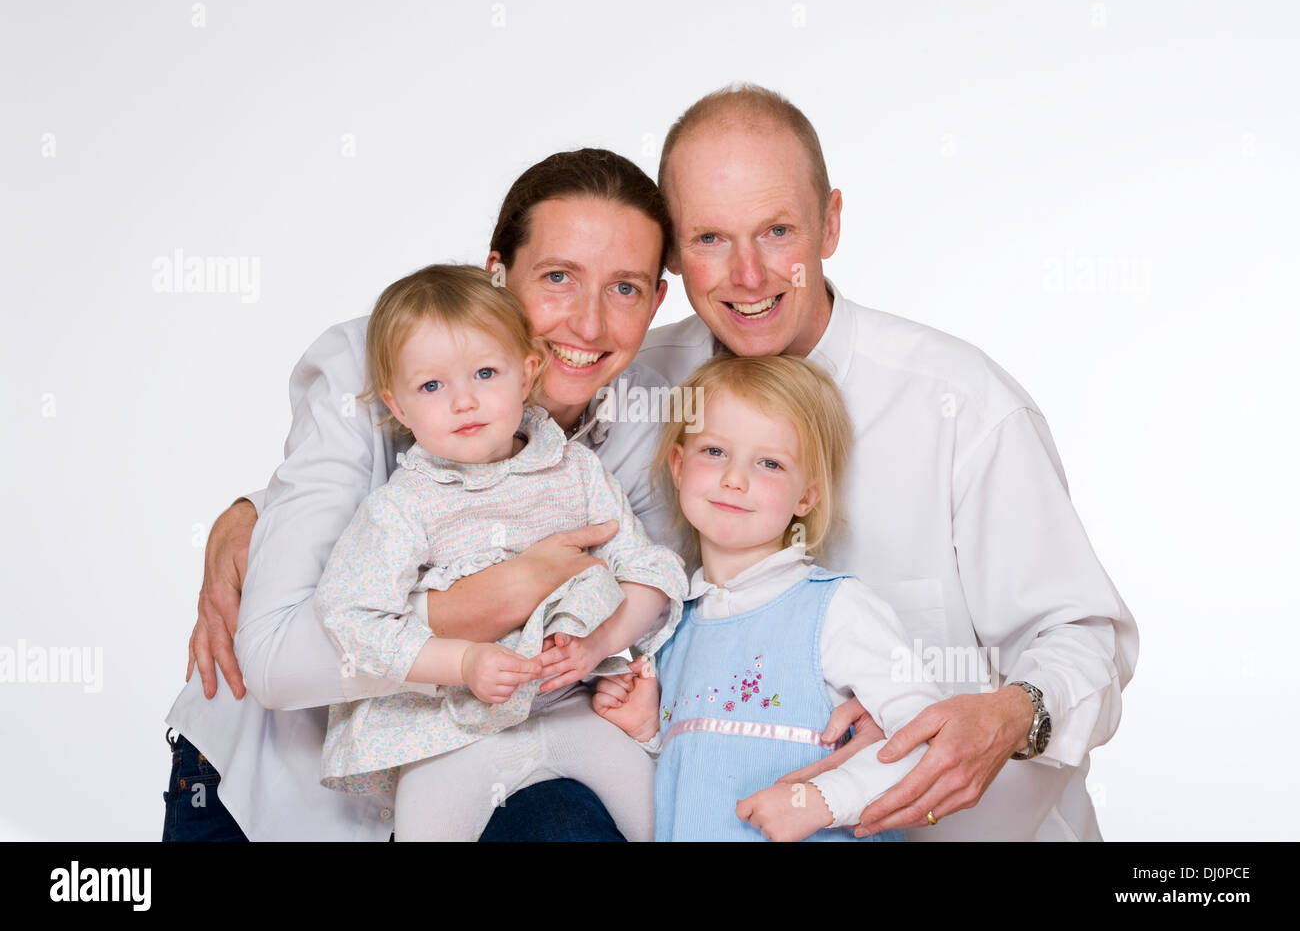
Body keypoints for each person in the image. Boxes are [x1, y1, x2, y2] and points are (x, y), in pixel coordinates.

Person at [634, 83, 1140, 840]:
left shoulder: (964, 404)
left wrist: (1010, 713)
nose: (747, 275)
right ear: (673, 248)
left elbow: (1080, 637)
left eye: (777, 231)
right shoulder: (637, 391)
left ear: (830, 223)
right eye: (710, 238)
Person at [164, 149, 680, 841]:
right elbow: (279, 661)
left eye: (624, 289)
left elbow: (653, 589)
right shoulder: (367, 363)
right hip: (273, 782)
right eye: (558, 277)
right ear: (496, 273)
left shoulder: (647, 423)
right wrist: (505, 594)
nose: (588, 325)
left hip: (493, 758)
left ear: (655, 301)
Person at [313, 264, 685, 841]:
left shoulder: (574, 471)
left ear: (526, 373)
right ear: (399, 404)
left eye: (485, 373)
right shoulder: (402, 506)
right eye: (432, 386)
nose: (464, 401)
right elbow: (352, 617)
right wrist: (462, 663)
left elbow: (650, 571)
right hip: (453, 733)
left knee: (665, 820)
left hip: (575, 712)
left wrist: (595, 646)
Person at [595, 354, 946, 841]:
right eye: (715, 451)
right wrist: (650, 734)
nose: (734, 478)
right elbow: (700, 777)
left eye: (770, 463)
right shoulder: (670, 626)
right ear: (679, 466)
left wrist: (823, 799)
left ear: (807, 496)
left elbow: (928, 739)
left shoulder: (836, 609)